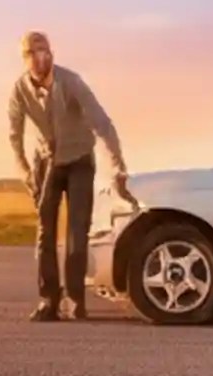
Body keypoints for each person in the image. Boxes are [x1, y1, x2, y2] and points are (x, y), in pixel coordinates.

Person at [7, 31, 134, 321]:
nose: (39, 56)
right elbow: (15, 135)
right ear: (24, 59)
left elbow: (102, 122)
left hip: (79, 160)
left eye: (44, 49)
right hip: (46, 164)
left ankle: (76, 300)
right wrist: (26, 172)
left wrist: (118, 165)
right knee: (45, 232)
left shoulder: (71, 82)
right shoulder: (19, 89)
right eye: (31, 52)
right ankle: (48, 300)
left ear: (51, 52)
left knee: (77, 232)